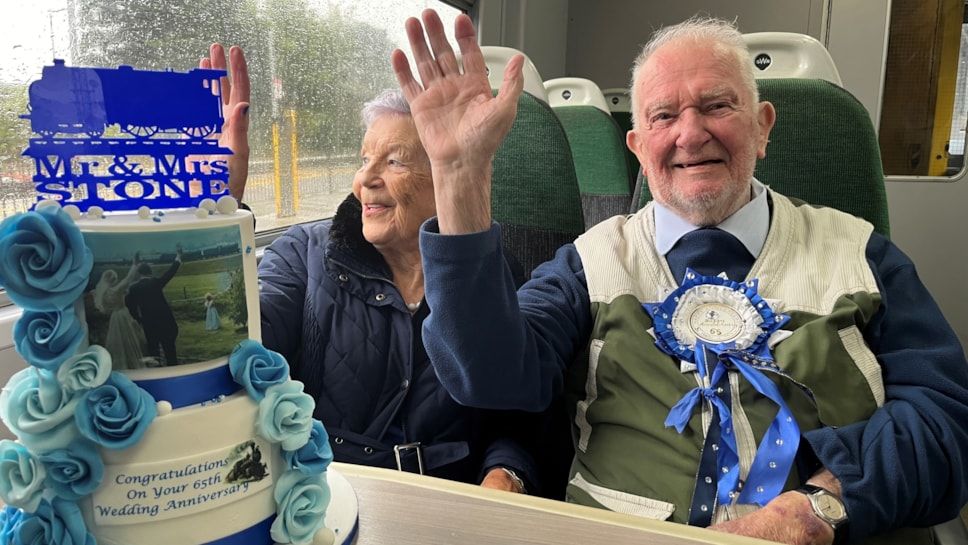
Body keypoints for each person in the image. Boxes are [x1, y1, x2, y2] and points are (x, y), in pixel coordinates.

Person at [393, 10, 968, 545]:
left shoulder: (859, 253)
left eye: (717, 105)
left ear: (763, 127)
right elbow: (488, 376)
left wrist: (822, 505)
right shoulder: (589, 262)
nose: (690, 134)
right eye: (663, 116)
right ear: (639, 147)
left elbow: (946, 419)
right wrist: (459, 176)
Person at [254, 83, 540, 493]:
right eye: (365, 159)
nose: (365, 179)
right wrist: (217, 215)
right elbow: (244, 347)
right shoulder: (303, 254)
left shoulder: (493, 275)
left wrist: (506, 473)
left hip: (448, 499)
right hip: (323, 492)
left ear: (449, 176)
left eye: (394, 162)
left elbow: (515, 413)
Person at [126, 248, 182, 366]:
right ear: (150, 272)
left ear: (139, 273)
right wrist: (177, 257)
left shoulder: (134, 289)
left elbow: (130, 306)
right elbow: (170, 273)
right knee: (170, 353)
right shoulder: (155, 283)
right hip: (166, 323)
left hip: (149, 324)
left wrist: (139, 319)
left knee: (153, 353)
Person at [93, 254, 147, 369]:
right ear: (113, 279)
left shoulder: (103, 294)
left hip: (114, 317)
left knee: (118, 343)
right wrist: (134, 265)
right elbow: (128, 279)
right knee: (129, 339)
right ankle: (132, 363)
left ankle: (122, 364)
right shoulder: (116, 291)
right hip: (123, 315)